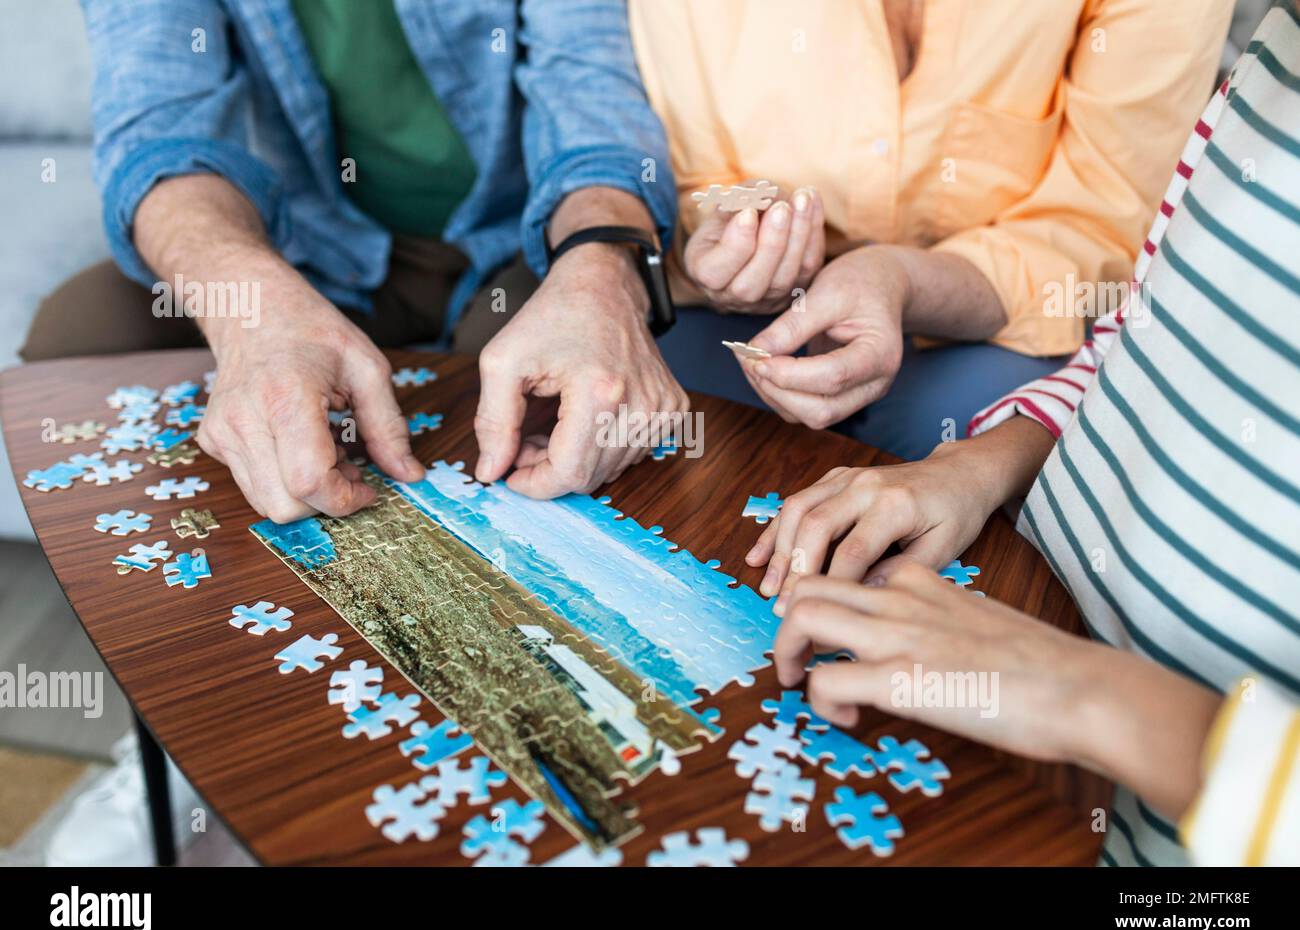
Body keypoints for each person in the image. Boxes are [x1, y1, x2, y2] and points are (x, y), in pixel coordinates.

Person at [751, 0, 1300, 865]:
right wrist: (974, 468)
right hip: (1002, 656)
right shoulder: (1274, 56)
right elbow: (1136, 339)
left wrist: (1087, 696)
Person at [24, 0, 686, 517]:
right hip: (312, 251)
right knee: (79, 334)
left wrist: (601, 268)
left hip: (520, 242)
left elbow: (592, 99)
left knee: (531, 419)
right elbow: (157, 136)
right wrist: (252, 309)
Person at [630, 0, 1233, 459]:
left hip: (985, 332)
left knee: (1016, 478)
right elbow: (693, 178)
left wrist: (903, 283)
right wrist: (735, 233)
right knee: (653, 453)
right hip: (726, 321)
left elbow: (1100, 224)